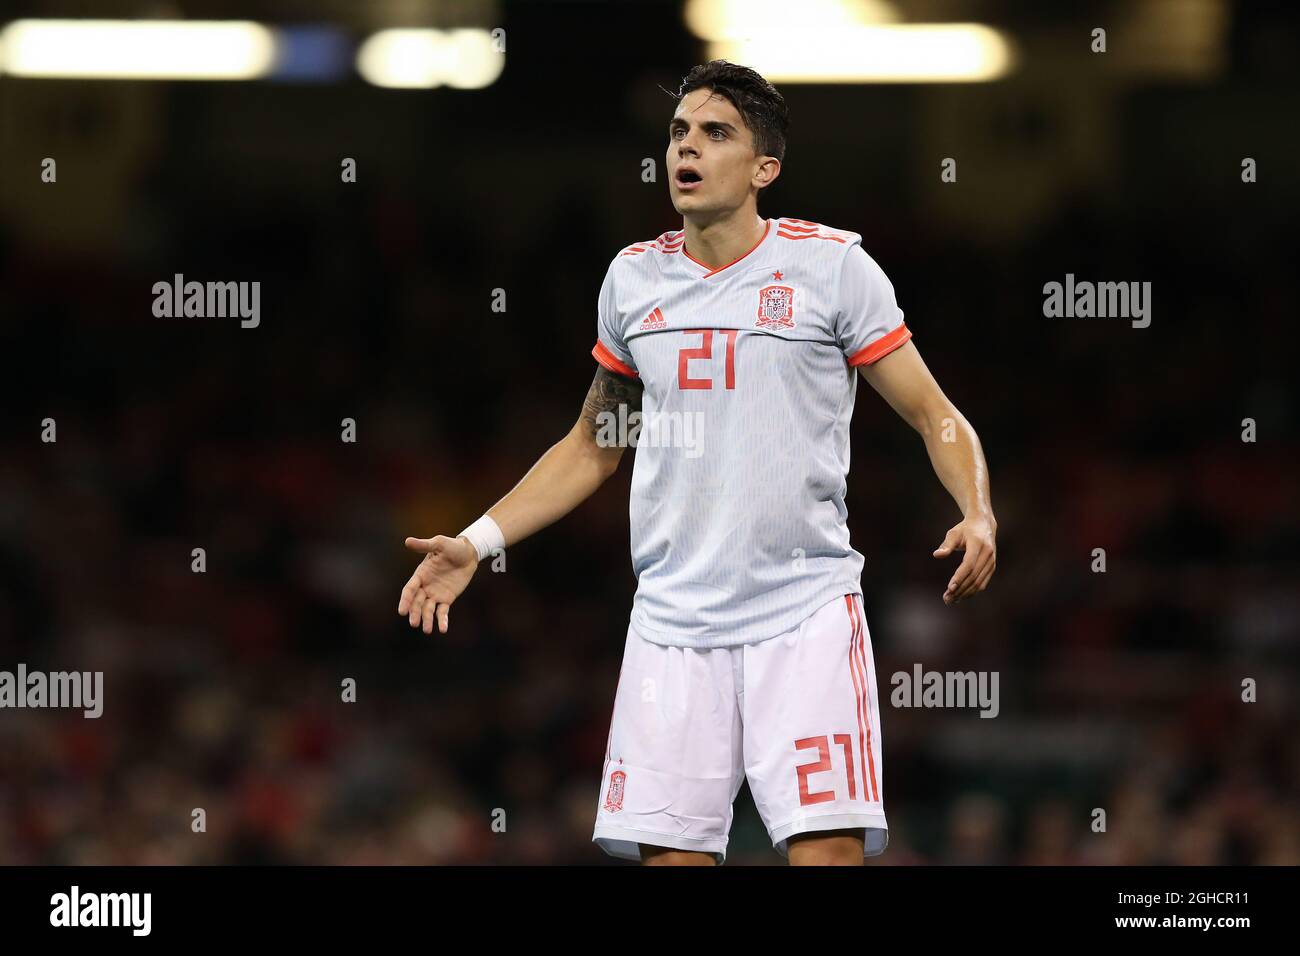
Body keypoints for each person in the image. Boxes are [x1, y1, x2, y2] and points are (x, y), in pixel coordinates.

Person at [398, 60, 997, 866]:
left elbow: (936, 415)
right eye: (679, 132)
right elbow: (592, 446)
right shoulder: (633, 280)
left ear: (764, 169)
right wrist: (476, 542)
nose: (688, 148)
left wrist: (978, 510)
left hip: (804, 615)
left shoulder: (833, 270)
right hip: (672, 627)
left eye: (716, 134)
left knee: (827, 856)